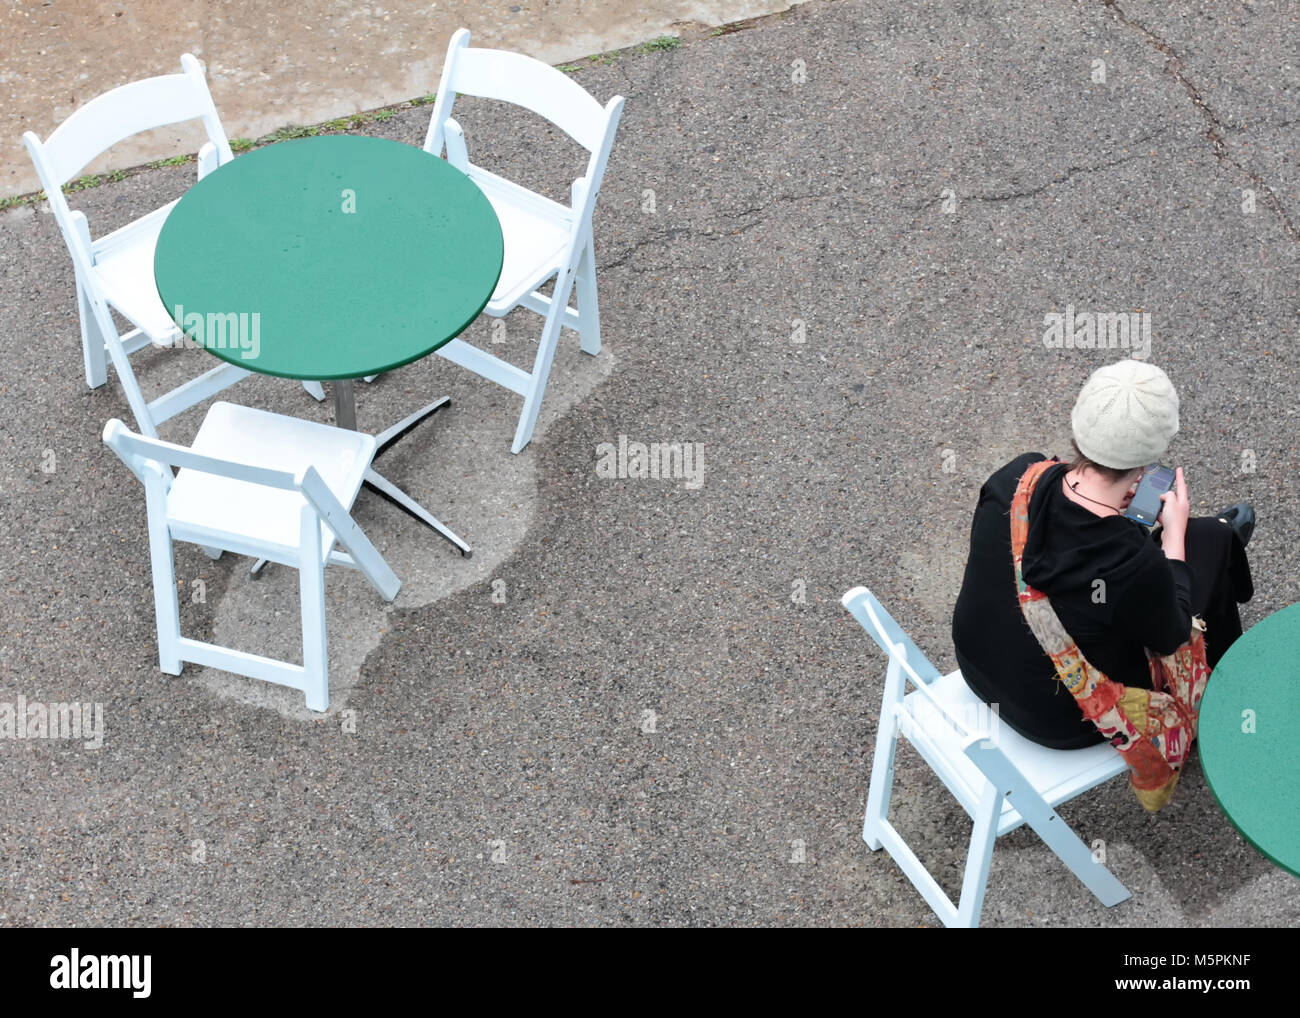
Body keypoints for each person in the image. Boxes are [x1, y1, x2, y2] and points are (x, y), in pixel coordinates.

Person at [951, 359, 1254, 750]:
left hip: (978, 664)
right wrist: (1174, 536)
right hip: (1059, 718)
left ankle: (1225, 555)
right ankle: (1215, 704)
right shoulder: (1130, 561)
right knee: (1207, 539)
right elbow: (1173, 635)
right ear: (1148, 460)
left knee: (1206, 545)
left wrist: (1108, 506)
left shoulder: (1017, 477)